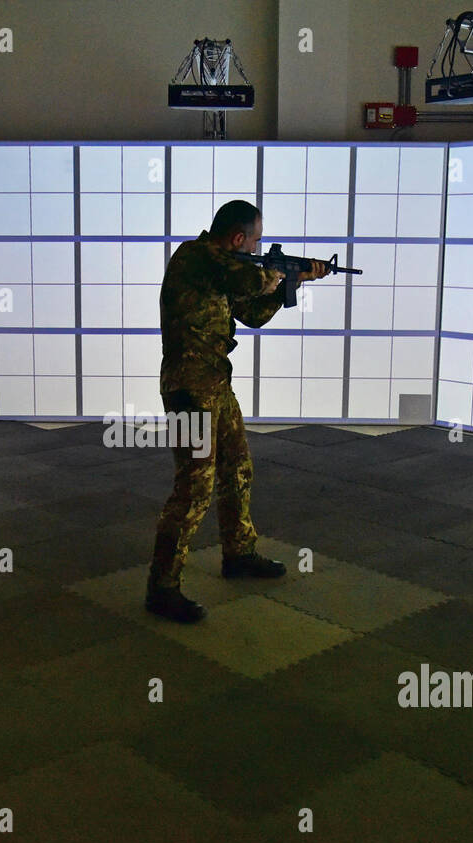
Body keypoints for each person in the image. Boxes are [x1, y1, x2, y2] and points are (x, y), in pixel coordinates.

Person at [146, 201, 329, 623]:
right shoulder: (197, 257)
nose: (259, 246)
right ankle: (162, 586)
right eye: (257, 239)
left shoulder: (228, 267)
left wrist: (293, 284)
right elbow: (249, 279)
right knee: (193, 488)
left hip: (216, 383)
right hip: (188, 390)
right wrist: (284, 271)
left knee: (238, 469)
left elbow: (252, 314)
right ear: (237, 238)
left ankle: (239, 553)